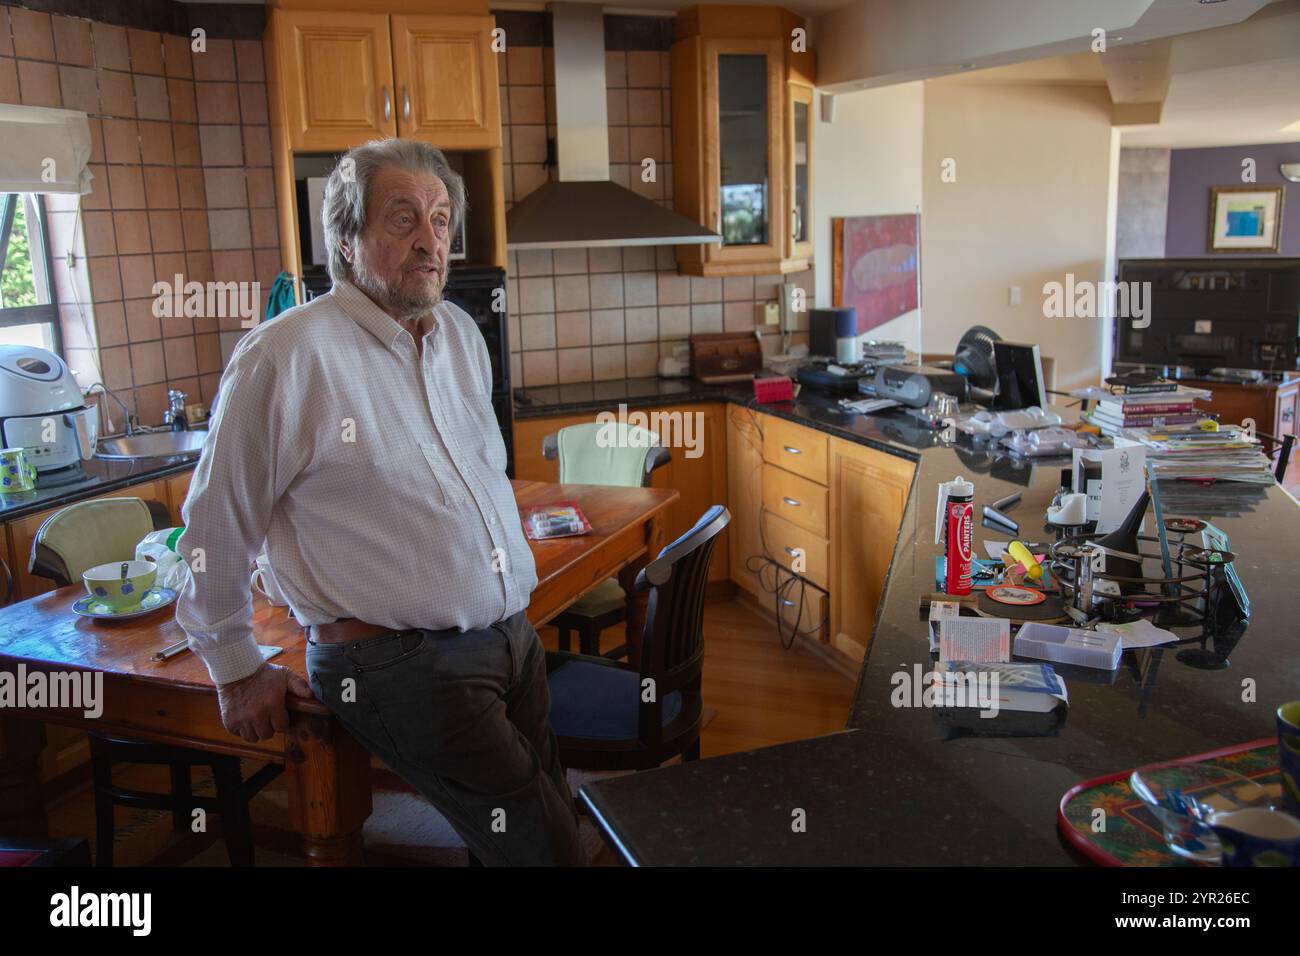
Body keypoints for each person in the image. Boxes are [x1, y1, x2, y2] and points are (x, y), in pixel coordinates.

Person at [175, 138, 584, 866]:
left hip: (509, 637)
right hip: (395, 660)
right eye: (403, 220)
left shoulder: (459, 333)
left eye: (440, 220)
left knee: (545, 818)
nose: (430, 240)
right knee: (544, 845)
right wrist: (235, 665)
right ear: (346, 240)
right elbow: (215, 521)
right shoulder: (287, 354)